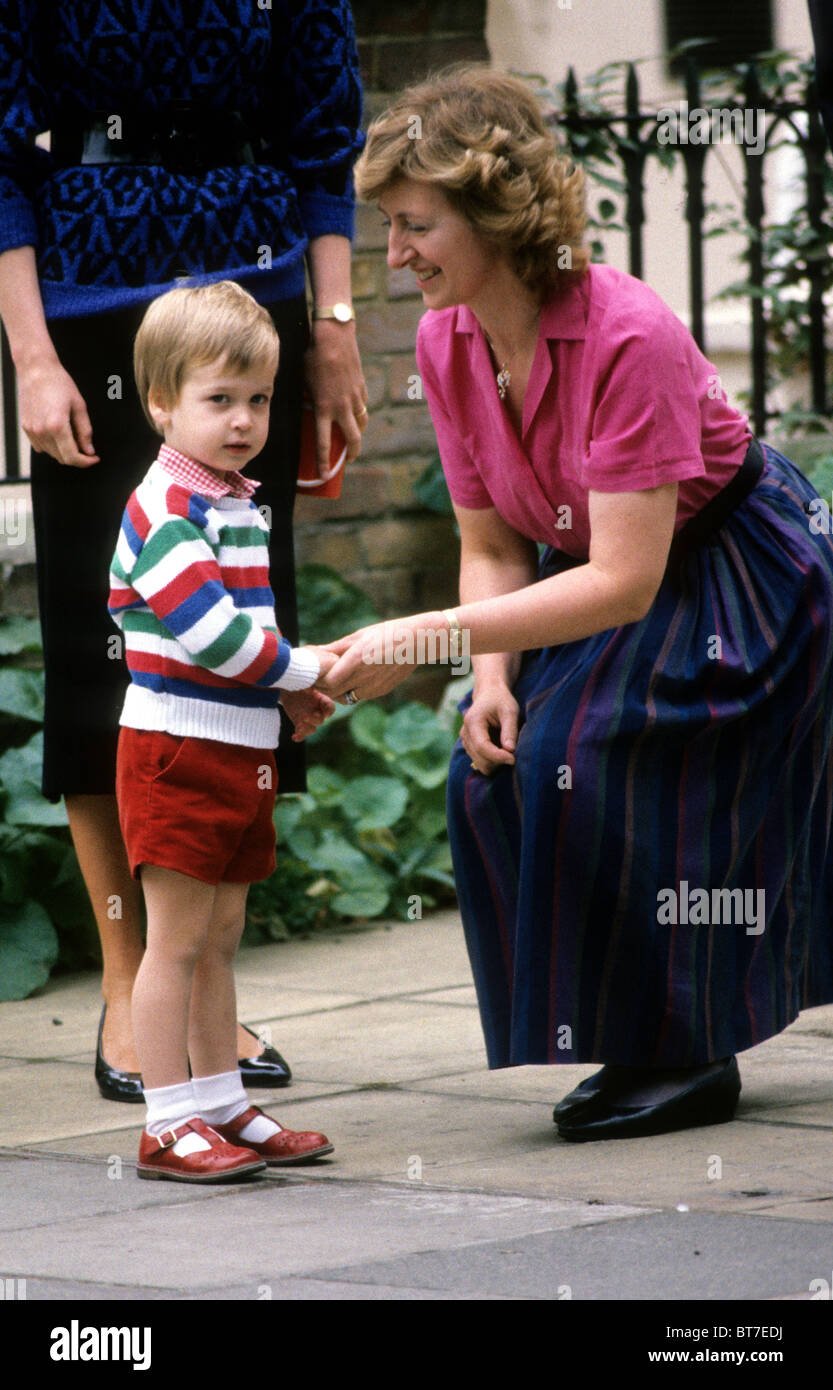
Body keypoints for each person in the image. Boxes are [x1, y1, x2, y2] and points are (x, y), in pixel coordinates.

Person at [319, 66, 833, 1142]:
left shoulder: (623, 331)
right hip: (593, 575)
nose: (394, 254)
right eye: (387, 227)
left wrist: (414, 637)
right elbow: (490, 543)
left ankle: (691, 1047)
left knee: (597, 750)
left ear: (494, 214)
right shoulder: (443, 342)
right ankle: (628, 1031)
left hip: (735, 573)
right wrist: (486, 677)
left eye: (415, 226)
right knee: (491, 770)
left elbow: (626, 580)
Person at [0, 0, 367, 1099]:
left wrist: (335, 330)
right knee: (100, 653)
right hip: (88, 306)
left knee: (242, 643)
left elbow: (323, 133)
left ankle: (208, 996)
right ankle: (129, 981)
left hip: (251, 301)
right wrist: (27, 353)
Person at [110, 280, 336, 1181]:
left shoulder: (232, 501)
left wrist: (280, 695)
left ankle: (221, 1102)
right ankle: (167, 1120)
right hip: (174, 750)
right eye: (218, 400)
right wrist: (308, 669)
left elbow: (244, 637)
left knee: (222, 932)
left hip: (235, 746)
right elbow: (215, 636)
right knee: (172, 940)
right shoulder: (167, 511)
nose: (243, 420)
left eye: (258, 400)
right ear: (161, 404)